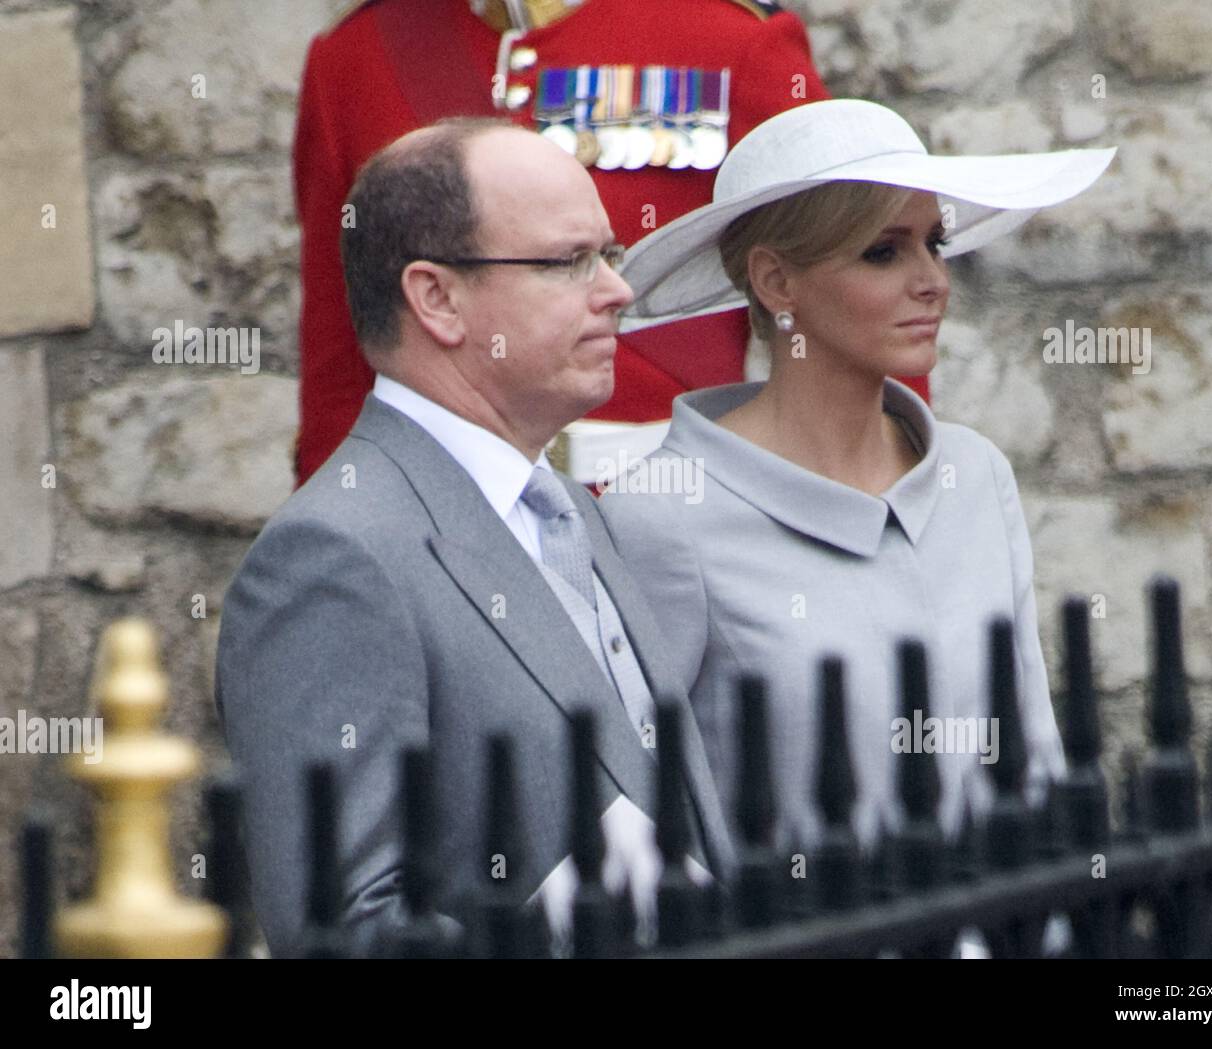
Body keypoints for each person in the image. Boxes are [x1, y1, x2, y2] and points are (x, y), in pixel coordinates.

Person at [216, 118, 731, 957]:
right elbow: (337, 926)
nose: (617, 292)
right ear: (438, 299)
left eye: (610, 256)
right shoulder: (332, 557)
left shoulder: (567, 505)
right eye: (570, 262)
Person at [599, 99, 1116, 852]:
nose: (933, 280)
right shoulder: (664, 517)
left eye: (933, 243)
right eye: (885, 251)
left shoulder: (973, 475)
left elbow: (1032, 756)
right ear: (777, 282)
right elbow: (650, 822)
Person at [291, 0, 918, 486]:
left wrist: (878, 494)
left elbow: (862, 289)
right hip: (434, 531)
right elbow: (341, 366)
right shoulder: (356, 58)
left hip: (666, 512)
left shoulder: (730, 40)